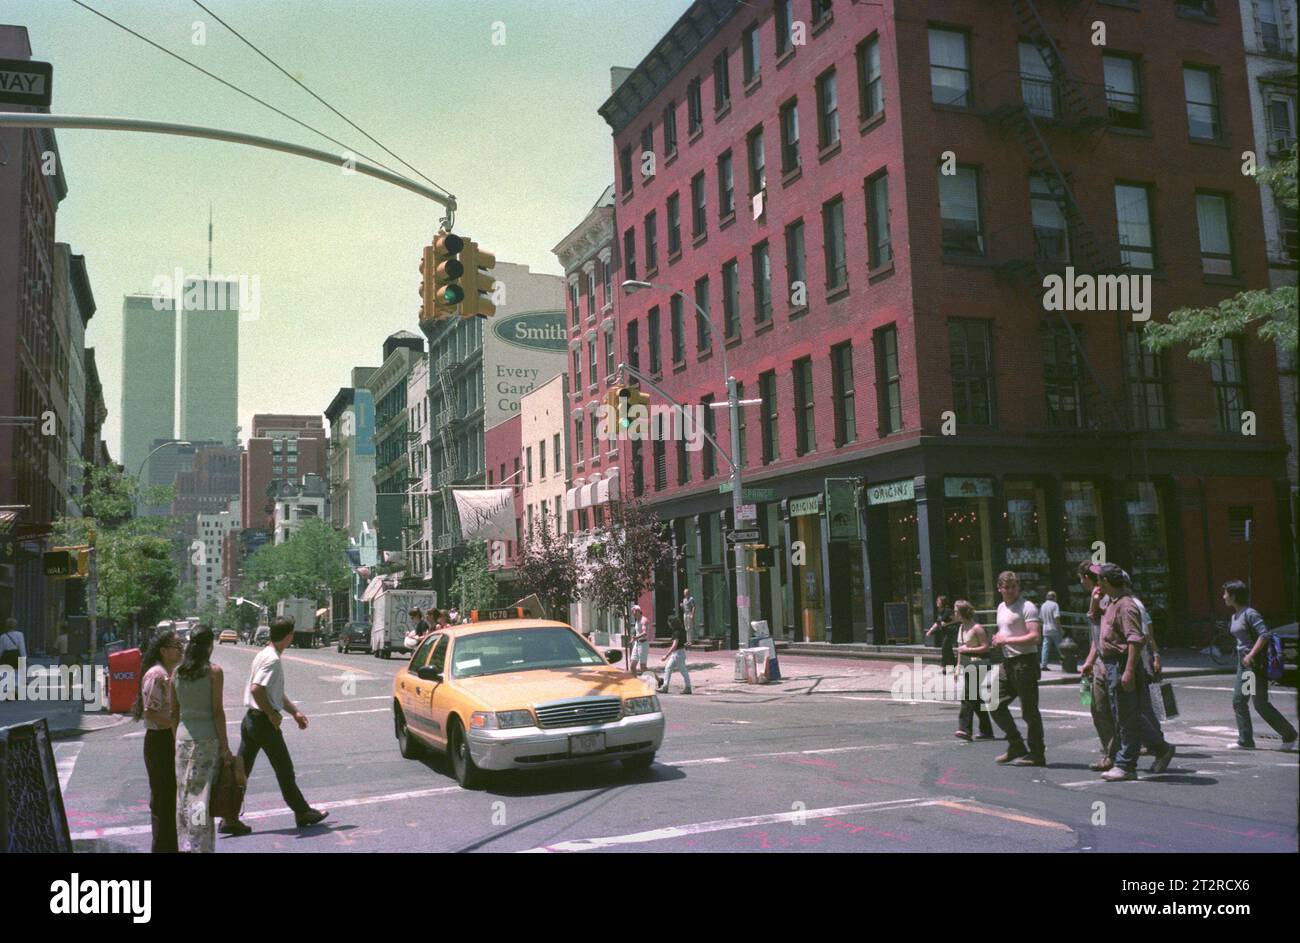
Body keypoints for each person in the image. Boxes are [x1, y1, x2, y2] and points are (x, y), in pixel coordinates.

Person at [229, 618, 328, 832]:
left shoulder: (264, 654)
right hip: (262, 723)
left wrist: (294, 712)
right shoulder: (272, 659)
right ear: (289, 636)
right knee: (284, 769)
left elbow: (273, 692)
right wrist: (272, 714)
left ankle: (229, 817)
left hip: (251, 720)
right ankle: (302, 812)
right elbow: (257, 689)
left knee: (242, 772)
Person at [1096, 566, 1176, 781]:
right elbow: (1096, 620)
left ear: (1107, 581)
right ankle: (1161, 748)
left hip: (1122, 664)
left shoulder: (1126, 605)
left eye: (1099, 580)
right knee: (1128, 714)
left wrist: (1129, 670)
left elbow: (1135, 639)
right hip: (1113, 664)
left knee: (1126, 716)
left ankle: (1126, 764)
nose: (1097, 584)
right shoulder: (1111, 603)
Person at [172, 627, 235, 852]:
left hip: (182, 740)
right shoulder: (213, 672)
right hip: (206, 740)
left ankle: (186, 843)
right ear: (209, 645)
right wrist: (225, 748)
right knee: (200, 798)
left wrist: (176, 740)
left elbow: (174, 712)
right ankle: (199, 847)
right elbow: (217, 712)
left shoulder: (177, 672)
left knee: (184, 795)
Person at [1222, 579, 1297, 751]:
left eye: (1226, 593)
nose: (1223, 596)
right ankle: (1246, 739)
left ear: (1233, 595)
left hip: (1253, 665)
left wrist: (1251, 655)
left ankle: (1288, 734)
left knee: (1257, 704)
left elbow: (1264, 635)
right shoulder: (1235, 615)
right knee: (1241, 701)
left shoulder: (1250, 613)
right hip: (1245, 664)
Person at [988, 571, 1046, 766]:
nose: (1012, 590)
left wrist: (1007, 640)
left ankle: (1037, 753)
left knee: (1029, 711)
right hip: (1007, 662)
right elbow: (1005, 630)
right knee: (994, 703)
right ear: (1000, 588)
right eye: (1008, 587)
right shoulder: (1001, 607)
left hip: (1025, 663)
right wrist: (998, 638)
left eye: (1015, 586)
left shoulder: (1027, 607)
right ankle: (1016, 744)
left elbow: (1035, 637)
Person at [134, 629, 183, 853]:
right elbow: (151, 712)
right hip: (160, 740)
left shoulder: (167, 672)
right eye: (176, 646)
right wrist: (177, 725)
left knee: (168, 797)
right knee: (163, 798)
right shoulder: (157, 675)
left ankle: (169, 847)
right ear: (164, 651)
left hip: (166, 739)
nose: (181, 649)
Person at [1076, 563, 1116, 770]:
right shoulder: (1096, 598)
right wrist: (1089, 661)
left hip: (1109, 661)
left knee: (1103, 708)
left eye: (1081, 579)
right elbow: (1096, 637)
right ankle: (1111, 752)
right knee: (1097, 708)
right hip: (1099, 660)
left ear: (1086, 577)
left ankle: (1156, 745)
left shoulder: (1105, 599)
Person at [953, 600, 995, 741]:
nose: (954, 613)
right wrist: (957, 667)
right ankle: (987, 730)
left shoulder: (977, 628)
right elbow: (960, 650)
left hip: (979, 665)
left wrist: (969, 649)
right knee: (976, 699)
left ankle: (965, 729)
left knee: (967, 696)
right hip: (967, 665)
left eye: (956, 611)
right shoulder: (961, 628)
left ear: (963, 612)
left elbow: (986, 647)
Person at [659, 615, 692, 695]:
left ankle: (688, 687)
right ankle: (665, 686)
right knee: (668, 668)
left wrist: (666, 656)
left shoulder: (676, 632)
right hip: (678, 653)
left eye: (669, 622)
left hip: (678, 654)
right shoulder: (680, 630)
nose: (668, 624)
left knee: (683, 670)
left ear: (672, 623)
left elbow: (674, 645)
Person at [925, 596, 957, 672]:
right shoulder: (939, 611)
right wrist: (930, 631)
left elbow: (957, 619)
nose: (937, 602)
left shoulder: (948, 611)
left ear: (942, 602)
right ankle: (955, 666)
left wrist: (947, 623)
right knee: (948, 650)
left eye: (938, 601)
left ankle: (944, 667)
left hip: (951, 632)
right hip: (945, 632)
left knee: (944, 648)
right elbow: (937, 623)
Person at [0, 617, 27, 701]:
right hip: (16, 654)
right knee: (16, 674)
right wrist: (24, 657)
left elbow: (1, 648)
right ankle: (15, 692)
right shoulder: (20, 634)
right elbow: (22, 647)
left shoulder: (3, 636)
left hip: (6, 656)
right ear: (15, 625)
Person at [1038, 591, 1062, 670]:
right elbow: (1057, 618)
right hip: (1054, 628)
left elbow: (1040, 619)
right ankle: (1065, 662)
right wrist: (1060, 629)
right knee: (1061, 647)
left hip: (1045, 629)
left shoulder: (1043, 605)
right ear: (1054, 597)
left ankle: (1044, 665)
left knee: (1045, 648)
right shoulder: (1055, 605)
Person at [628, 604, 649, 674]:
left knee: (643, 667)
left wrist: (637, 637)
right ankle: (636, 682)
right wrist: (633, 639)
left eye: (633, 612)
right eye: (632, 613)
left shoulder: (643, 620)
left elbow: (644, 633)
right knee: (632, 665)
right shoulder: (637, 620)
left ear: (638, 611)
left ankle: (658, 680)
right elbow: (636, 632)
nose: (633, 614)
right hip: (637, 644)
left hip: (643, 644)